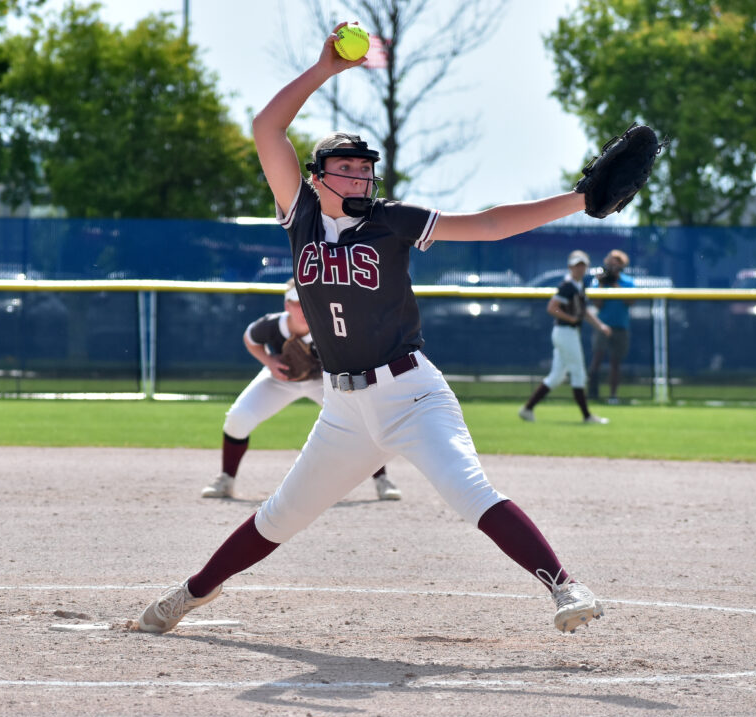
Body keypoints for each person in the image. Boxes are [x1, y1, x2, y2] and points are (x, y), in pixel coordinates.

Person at [137, 23, 605, 636]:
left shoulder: (391, 221)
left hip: (412, 394)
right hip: (342, 407)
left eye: (365, 170)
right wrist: (324, 69)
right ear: (315, 177)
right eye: (346, 170)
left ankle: (565, 587)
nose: (359, 179)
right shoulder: (300, 216)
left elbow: (489, 226)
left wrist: (578, 200)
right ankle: (194, 592)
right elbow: (265, 128)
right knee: (280, 516)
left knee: (470, 492)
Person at [203, 279, 401, 501]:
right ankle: (226, 480)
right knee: (238, 418)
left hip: (324, 381)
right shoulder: (271, 326)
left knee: (364, 420)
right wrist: (269, 361)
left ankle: (382, 480)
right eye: (297, 303)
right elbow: (250, 339)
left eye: (308, 301)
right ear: (287, 305)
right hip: (281, 379)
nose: (304, 308)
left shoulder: (330, 326)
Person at [519, 251, 611, 425]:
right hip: (565, 332)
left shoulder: (579, 285)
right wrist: (570, 318)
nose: (580, 268)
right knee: (578, 373)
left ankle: (527, 409)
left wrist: (600, 326)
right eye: (577, 265)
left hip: (567, 333)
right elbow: (552, 307)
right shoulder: (567, 286)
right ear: (570, 267)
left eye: (583, 265)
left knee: (556, 376)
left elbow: (584, 313)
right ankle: (587, 416)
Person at [587, 249, 635, 404]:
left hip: (621, 326)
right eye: (611, 261)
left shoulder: (628, 282)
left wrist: (614, 284)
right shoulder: (598, 281)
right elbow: (598, 305)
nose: (613, 264)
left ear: (622, 265)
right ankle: (592, 394)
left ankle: (613, 396)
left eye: (617, 261)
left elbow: (630, 302)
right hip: (602, 326)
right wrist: (602, 284)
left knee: (616, 362)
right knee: (597, 359)